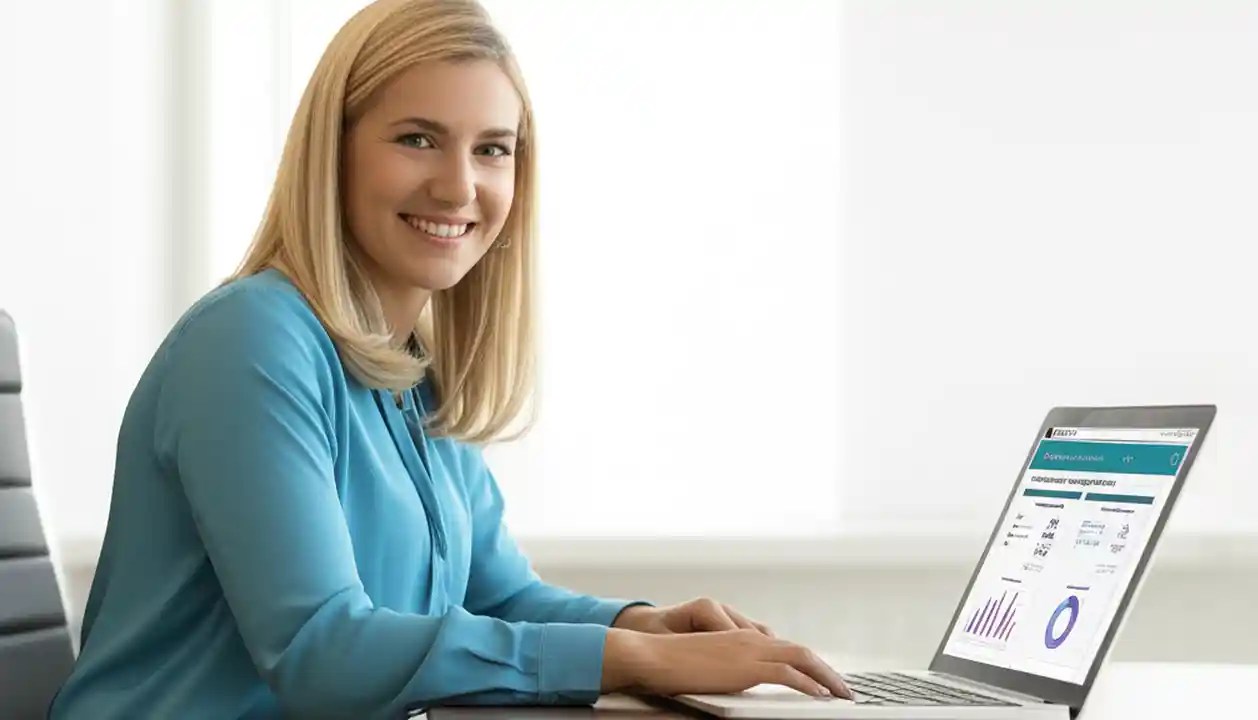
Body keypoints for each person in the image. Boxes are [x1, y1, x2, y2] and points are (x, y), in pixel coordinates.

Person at [49, 0, 853, 717]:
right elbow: (320, 649)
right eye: (417, 139)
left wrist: (642, 625)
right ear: (333, 153)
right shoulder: (250, 341)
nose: (458, 186)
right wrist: (637, 660)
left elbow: (495, 595)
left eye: (492, 149)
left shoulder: (415, 373)